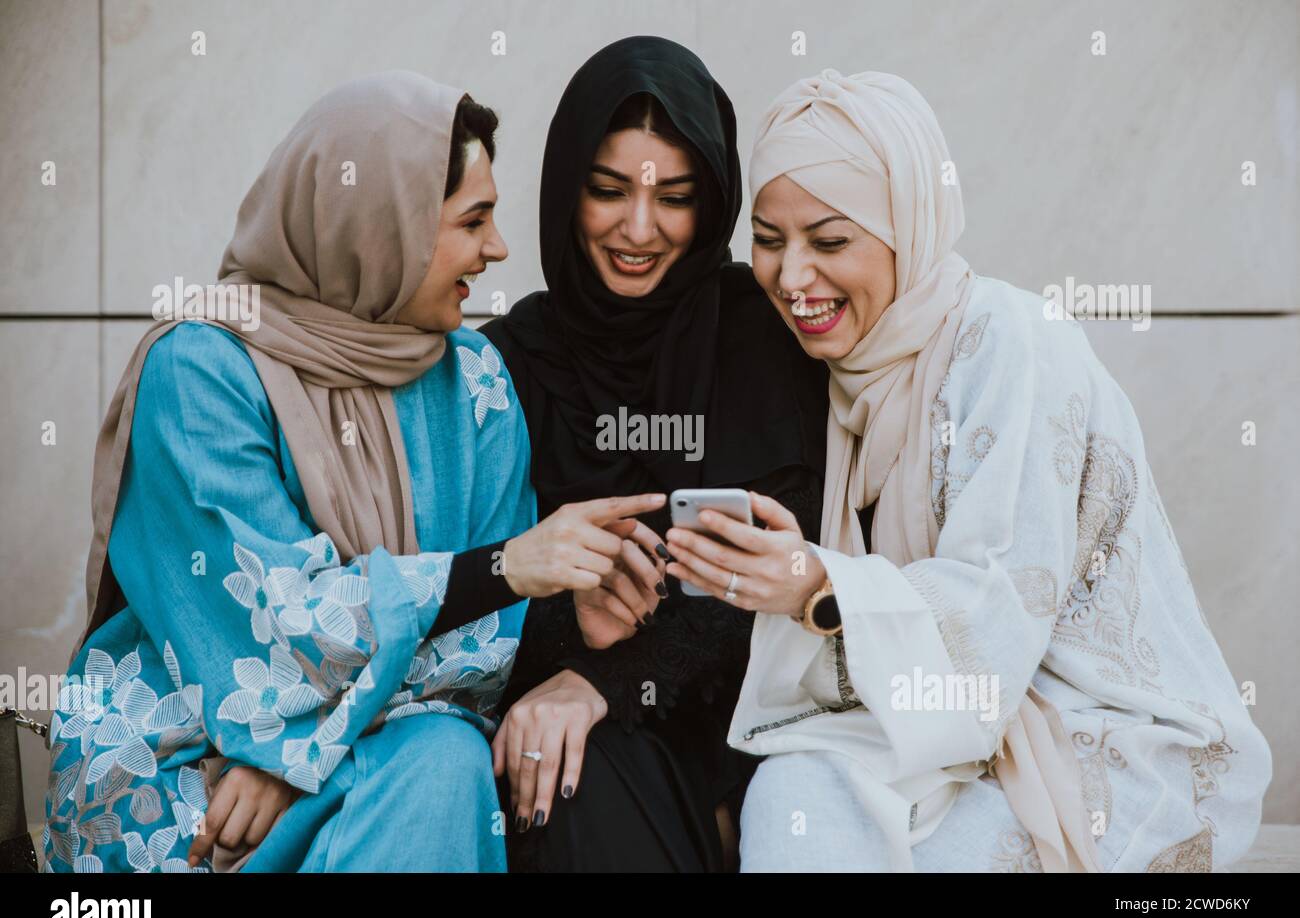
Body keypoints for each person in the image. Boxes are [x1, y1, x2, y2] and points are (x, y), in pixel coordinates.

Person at [42, 70, 663, 873]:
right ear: (382, 228)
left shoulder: (475, 381)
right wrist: (503, 569)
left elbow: (483, 655)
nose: (498, 248)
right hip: (193, 776)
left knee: (444, 761)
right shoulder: (199, 373)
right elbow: (273, 641)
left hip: (382, 757)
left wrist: (307, 758)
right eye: (473, 220)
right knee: (431, 763)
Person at [665, 69, 1272, 872]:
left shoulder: (1011, 340)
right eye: (769, 241)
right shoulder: (843, 375)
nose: (792, 276)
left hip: (1101, 741)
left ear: (910, 226)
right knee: (791, 794)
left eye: (830, 241)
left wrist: (817, 583)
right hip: (924, 740)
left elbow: (1000, 605)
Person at [481, 36, 827, 871]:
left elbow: (792, 558)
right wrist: (570, 628)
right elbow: (471, 581)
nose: (638, 230)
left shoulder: (766, 336)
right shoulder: (510, 361)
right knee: (563, 772)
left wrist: (606, 681)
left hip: (756, 714)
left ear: (712, 205)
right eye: (607, 191)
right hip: (567, 726)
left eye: (674, 198)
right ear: (566, 189)